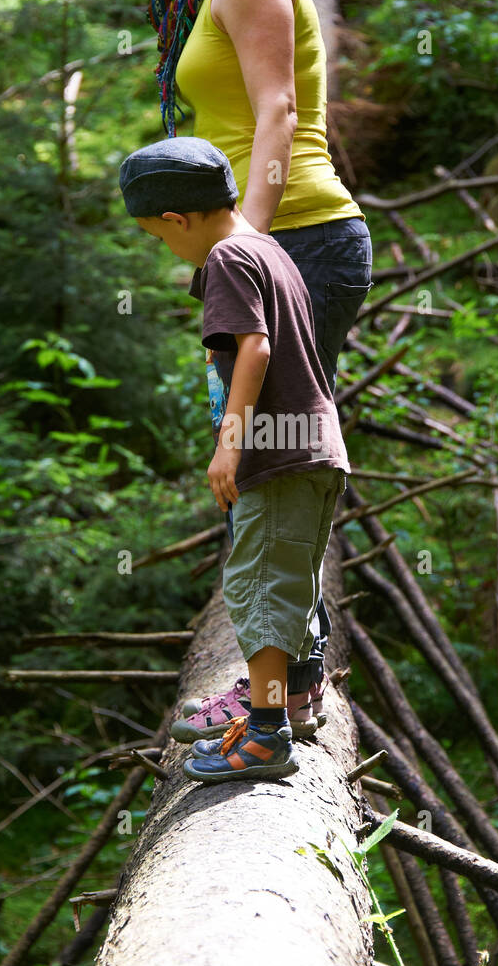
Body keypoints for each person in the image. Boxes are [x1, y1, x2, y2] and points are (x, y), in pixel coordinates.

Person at [94, 0, 371, 733]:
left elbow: (279, 111)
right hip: (264, 243)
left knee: (268, 460)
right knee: (259, 455)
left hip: (297, 239)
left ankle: (283, 689)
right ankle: (289, 669)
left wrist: (240, 248)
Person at [118, 136, 349, 784]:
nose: (167, 248)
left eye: (158, 237)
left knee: (257, 593)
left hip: (275, 453)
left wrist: (230, 442)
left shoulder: (225, 257)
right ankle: (289, 702)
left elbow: (254, 348)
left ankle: (267, 736)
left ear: (176, 220)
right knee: (288, 588)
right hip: (313, 449)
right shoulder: (267, 247)